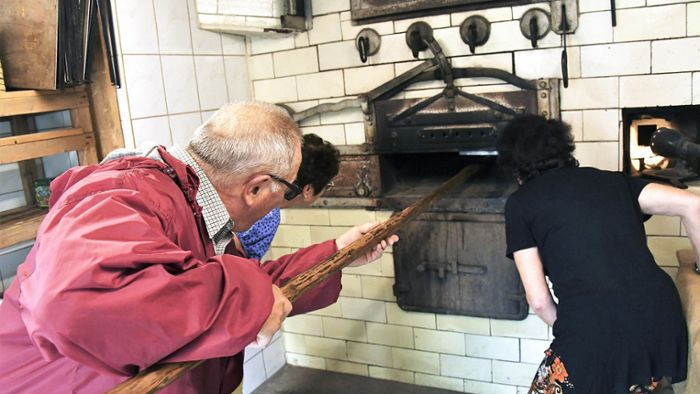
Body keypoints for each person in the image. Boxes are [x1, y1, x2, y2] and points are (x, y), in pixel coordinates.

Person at [0, 102, 397, 393]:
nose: (281, 202)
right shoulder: (128, 196)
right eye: (286, 189)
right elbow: (72, 302)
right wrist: (247, 303)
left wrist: (335, 254)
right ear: (256, 187)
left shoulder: (194, 206)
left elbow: (226, 285)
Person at [497, 115, 698, 394]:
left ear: (515, 166)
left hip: (593, 331)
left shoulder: (521, 204)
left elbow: (540, 301)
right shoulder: (615, 181)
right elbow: (693, 204)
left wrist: (580, 330)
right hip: (659, 318)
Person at [236, 133, 340, 260]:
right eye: (327, 186)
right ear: (308, 190)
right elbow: (237, 261)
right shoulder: (269, 213)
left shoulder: (250, 180)